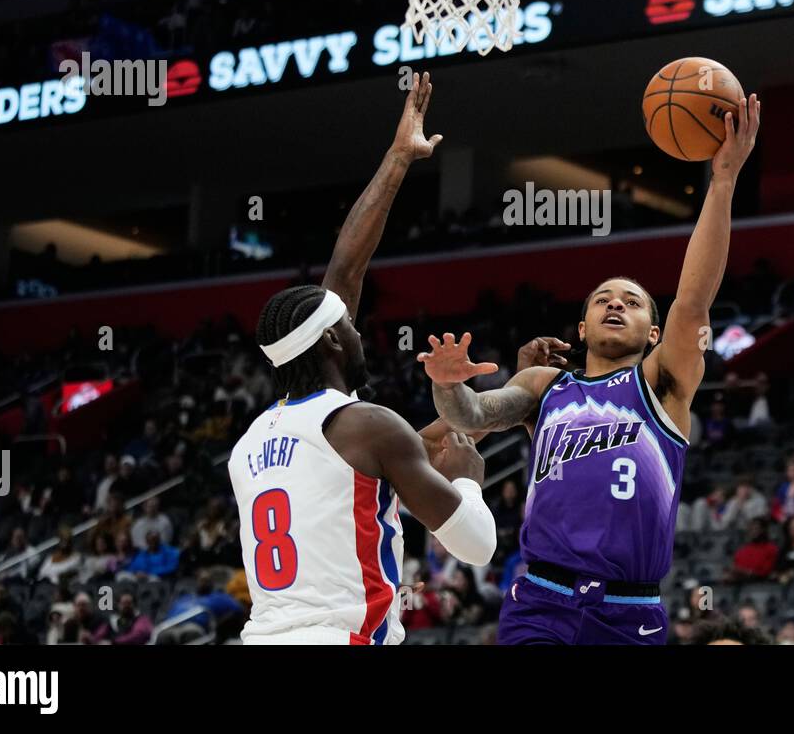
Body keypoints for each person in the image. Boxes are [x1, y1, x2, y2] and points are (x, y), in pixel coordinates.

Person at [419, 94, 762, 644]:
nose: (615, 304)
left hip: (629, 609)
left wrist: (721, 183)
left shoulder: (662, 384)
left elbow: (694, 300)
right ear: (581, 328)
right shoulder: (544, 385)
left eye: (631, 300)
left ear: (655, 332)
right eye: (603, 299)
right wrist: (445, 383)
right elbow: (471, 412)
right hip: (541, 599)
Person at [229, 73, 497, 646]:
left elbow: (343, 277)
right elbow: (476, 546)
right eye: (348, 326)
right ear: (330, 341)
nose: (358, 329)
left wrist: (398, 158)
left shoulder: (252, 440)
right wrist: (468, 482)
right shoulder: (367, 426)